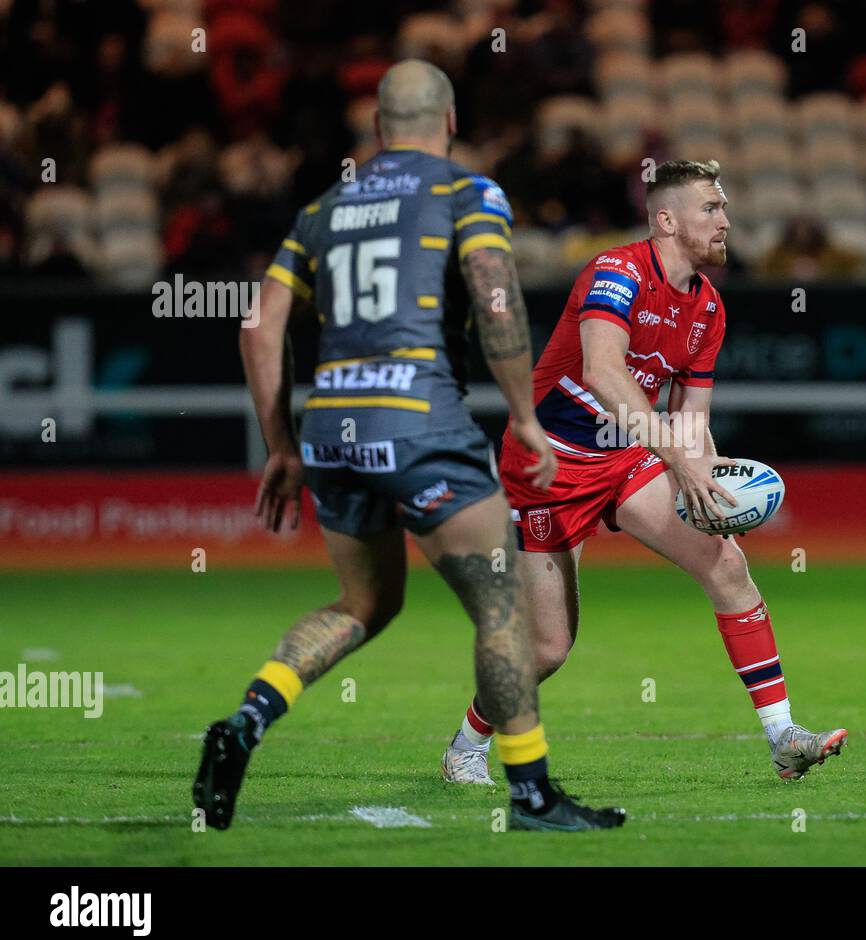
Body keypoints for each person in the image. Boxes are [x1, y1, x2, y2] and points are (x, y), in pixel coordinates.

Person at [193, 60, 625, 832]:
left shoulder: (322, 208)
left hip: (334, 428)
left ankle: (248, 720)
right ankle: (531, 794)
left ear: (377, 130)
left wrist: (282, 447)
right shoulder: (467, 192)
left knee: (363, 604)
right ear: (450, 121)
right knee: (500, 607)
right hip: (420, 418)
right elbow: (496, 296)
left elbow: (257, 325)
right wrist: (525, 415)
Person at [440, 159, 846, 785]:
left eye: (725, 209)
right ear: (665, 219)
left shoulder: (708, 307)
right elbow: (604, 373)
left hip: (629, 457)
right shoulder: (616, 272)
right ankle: (467, 743)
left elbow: (691, 419)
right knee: (549, 648)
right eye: (710, 208)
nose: (725, 221)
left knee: (728, 565)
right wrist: (679, 458)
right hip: (548, 466)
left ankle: (783, 737)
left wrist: (707, 480)